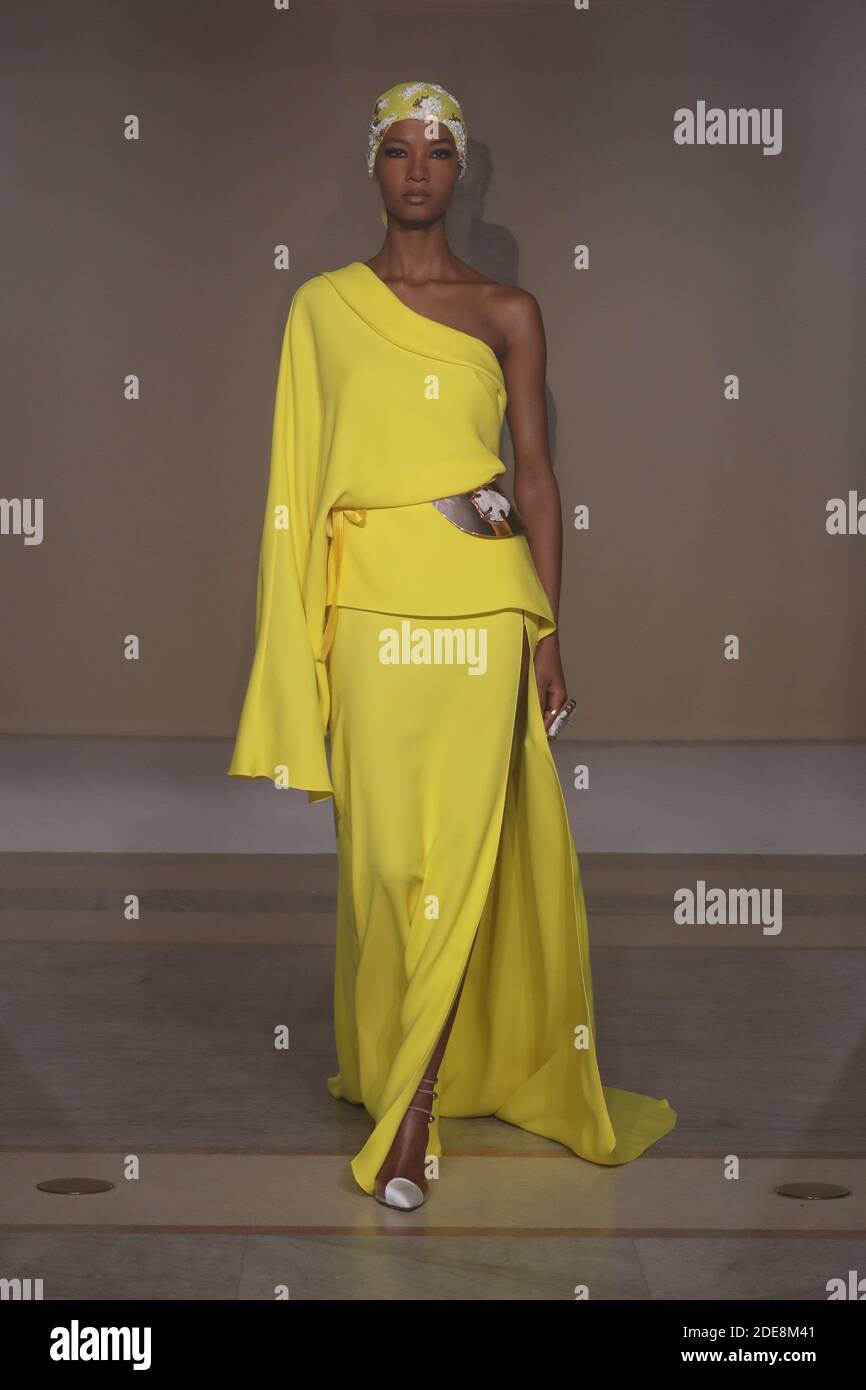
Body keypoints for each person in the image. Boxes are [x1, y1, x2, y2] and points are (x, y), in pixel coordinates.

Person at [228, 80, 677, 1211]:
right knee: (386, 865)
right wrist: (303, 642)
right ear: (371, 169)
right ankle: (405, 1061)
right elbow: (294, 481)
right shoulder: (322, 309)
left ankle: (410, 1121)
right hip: (374, 610)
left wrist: (547, 632)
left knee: (465, 859)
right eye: (397, 151)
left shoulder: (508, 311)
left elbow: (534, 476)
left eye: (436, 152)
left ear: (459, 168)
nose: (417, 169)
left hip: (482, 606)